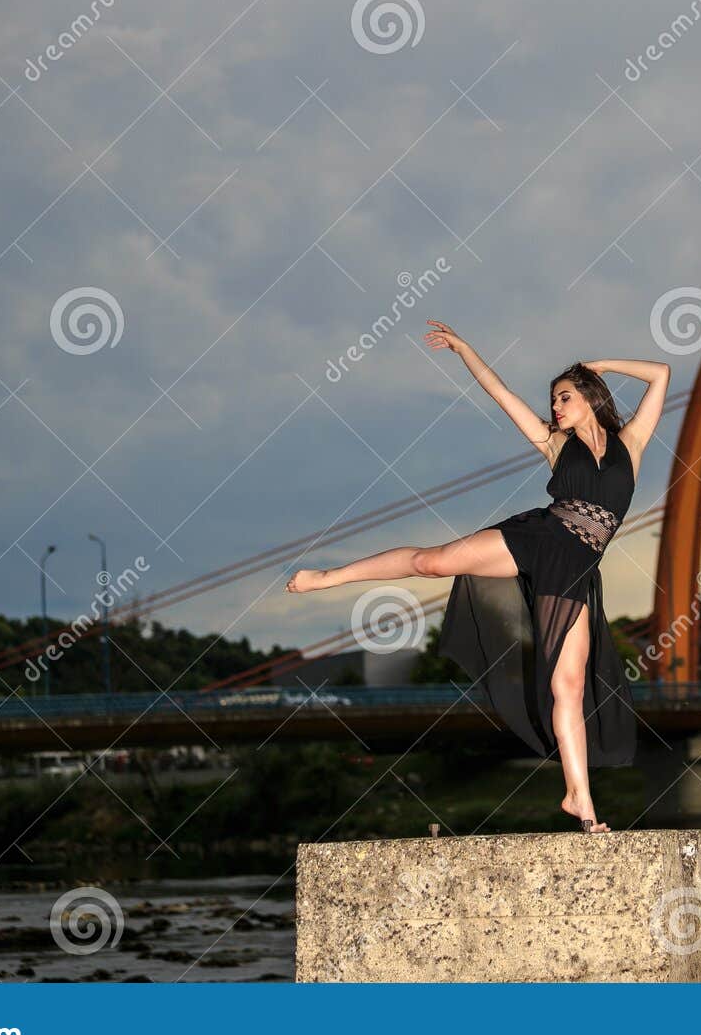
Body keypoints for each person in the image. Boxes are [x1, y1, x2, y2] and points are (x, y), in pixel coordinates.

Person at [286, 319, 669, 833]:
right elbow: (498, 391)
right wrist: (465, 348)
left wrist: (603, 363)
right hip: (539, 538)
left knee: (569, 684)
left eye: (564, 397)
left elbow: (661, 373)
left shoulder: (632, 443)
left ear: (590, 397)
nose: (554, 408)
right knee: (432, 562)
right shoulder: (554, 444)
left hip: (575, 572)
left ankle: (581, 801)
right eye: (553, 401)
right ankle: (329, 576)